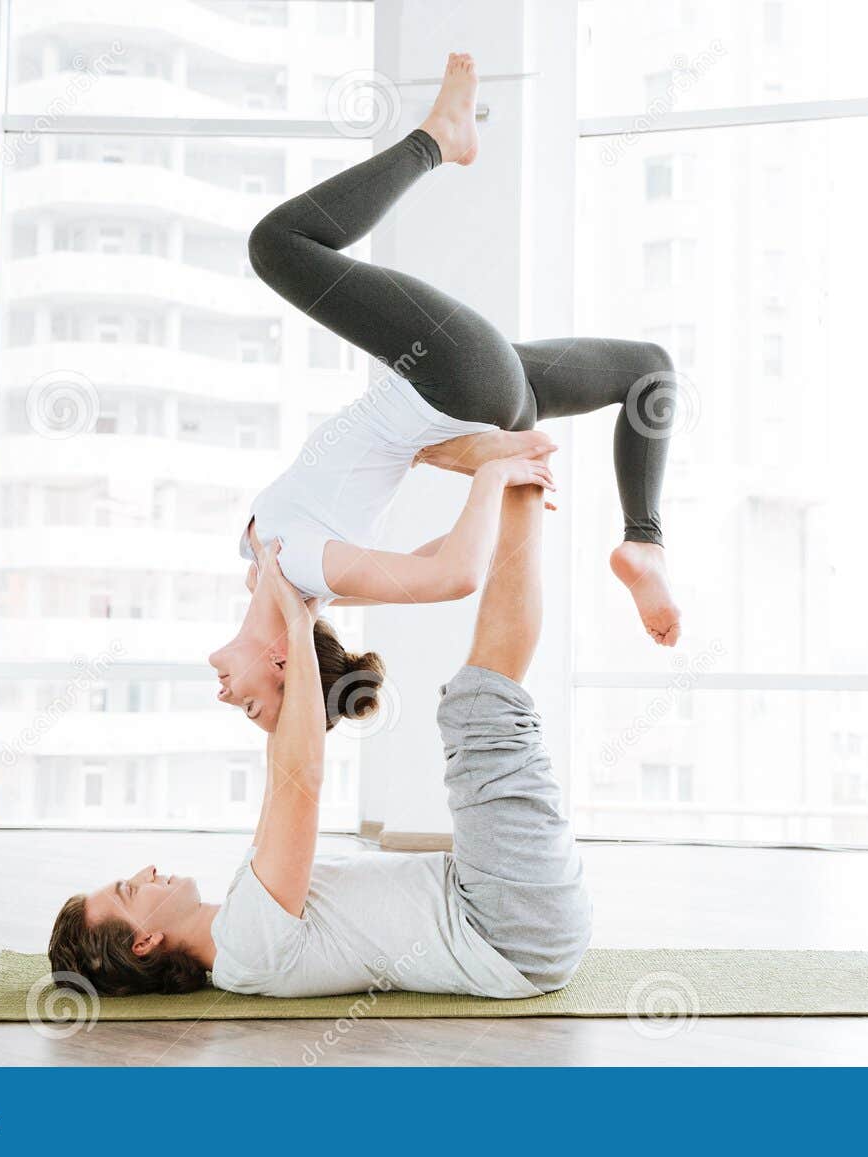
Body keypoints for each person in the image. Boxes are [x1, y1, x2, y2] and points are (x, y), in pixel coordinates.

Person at [208, 51, 682, 736]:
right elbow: (453, 578)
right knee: (277, 244)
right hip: (451, 379)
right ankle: (440, 139)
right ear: (283, 662)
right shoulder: (303, 568)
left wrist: (475, 472)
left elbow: (434, 561)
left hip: (474, 392)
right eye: (253, 702)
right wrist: (490, 474)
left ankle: (645, 545)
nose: (228, 696)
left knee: (650, 372)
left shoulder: (281, 571)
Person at [48, 479, 591, 998]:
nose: (145, 872)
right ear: (144, 943)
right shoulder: (247, 947)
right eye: (128, 890)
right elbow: (299, 780)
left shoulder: (244, 913)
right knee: (477, 709)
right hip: (509, 927)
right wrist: (293, 618)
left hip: (497, 906)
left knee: (473, 707)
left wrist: (281, 645)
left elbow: (280, 768)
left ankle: (512, 506)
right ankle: (521, 487)